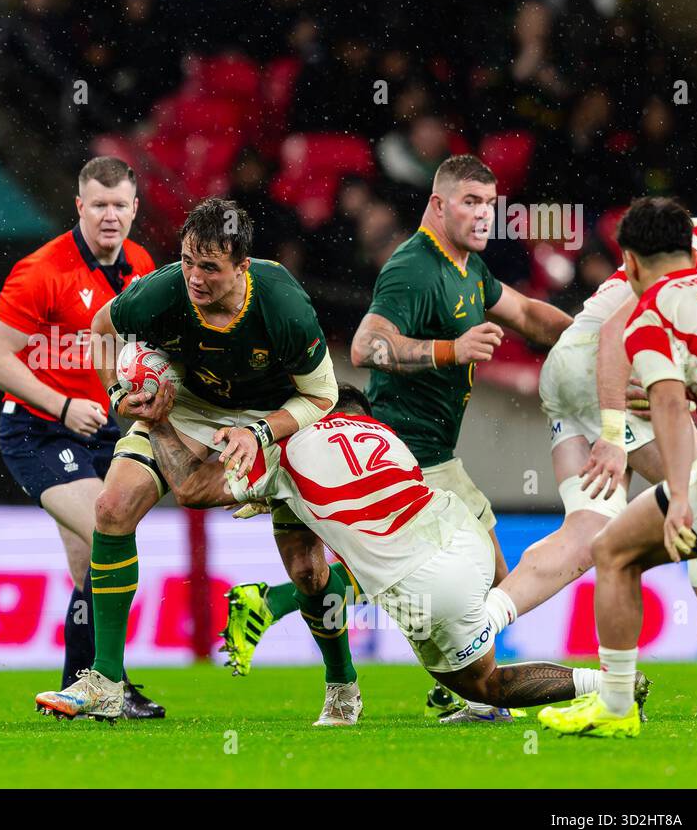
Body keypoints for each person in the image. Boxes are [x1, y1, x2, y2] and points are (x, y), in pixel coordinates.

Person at [222, 154, 574, 722]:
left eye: (489, 203)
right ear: (437, 204)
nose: (484, 215)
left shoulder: (467, 268)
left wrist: (596, 339)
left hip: (431, 450)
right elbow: (365, 347)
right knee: (476, 576)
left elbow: (530, 315)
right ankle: (463, 686)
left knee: (458, 579)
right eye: (470, 202)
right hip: (408, 451)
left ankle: (456, 684)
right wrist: (449, 351)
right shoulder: (415, 268)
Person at [149, 384, 649, 719]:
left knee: (482, 685)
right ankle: (602, 677)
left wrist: (157, 423)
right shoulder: (386, 436)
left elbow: (192, 490)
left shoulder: (284, 448)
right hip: (466, 535)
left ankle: (608, 687)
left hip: (428, 585)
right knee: (412, 583)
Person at [35, 197, 352, 724]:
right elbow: (101, 329)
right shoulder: (162, 291)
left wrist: (258, 431)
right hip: (183, 404)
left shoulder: (282, 305)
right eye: (187, 261)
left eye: (209, 267)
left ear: (242, 267)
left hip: (273, 415)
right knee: (112, 508)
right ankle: (107, 683)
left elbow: (322, 397)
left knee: (307, 571)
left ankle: (342, 683)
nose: (194, 278)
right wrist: (117, 392)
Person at [486, 214, 697, 715]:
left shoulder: (687, 239)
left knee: (586, 533)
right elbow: (627, 325)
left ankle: (469, 630)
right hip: (610, 365)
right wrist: (615, 432)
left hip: (568, 364)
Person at [0, 156, 164, 718]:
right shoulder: (42, 270)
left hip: (104, 431)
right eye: (98, 205)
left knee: (90, 564)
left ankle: (85, 689)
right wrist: (60, 403)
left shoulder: (142, 264)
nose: (110, 216)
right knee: (112, 538)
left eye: (120, 205)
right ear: (79, 207)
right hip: (37, 430)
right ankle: (104, 684)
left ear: (134, 209)